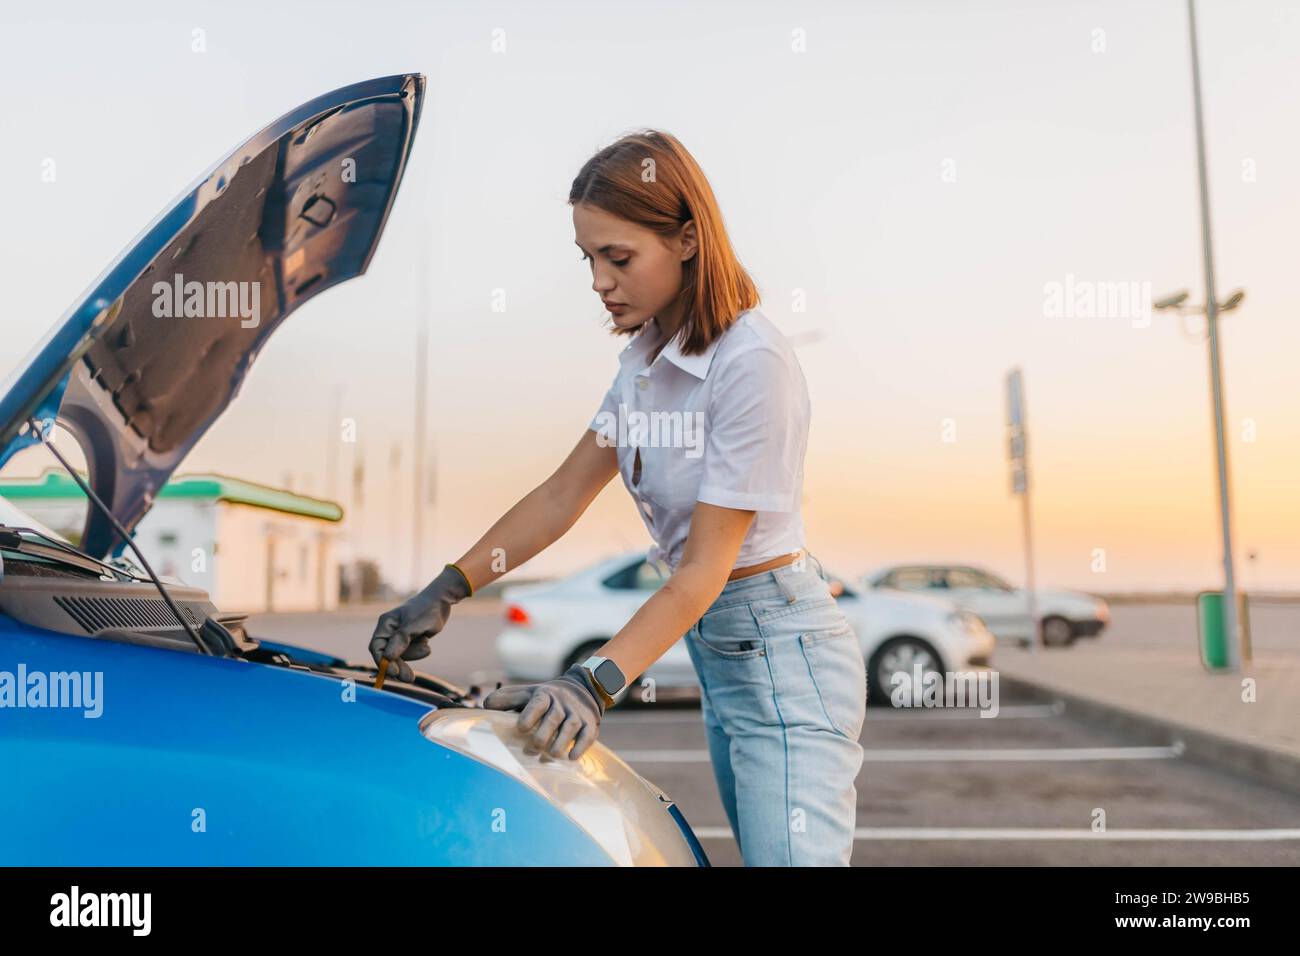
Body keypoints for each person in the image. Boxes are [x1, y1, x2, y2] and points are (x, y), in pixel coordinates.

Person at [370, 129, 866, 866]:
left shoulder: (751, 364)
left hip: (781, 655)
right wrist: (448, 587)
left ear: (689, 239)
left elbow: (703, 570)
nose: (600, 280)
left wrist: (590, 684)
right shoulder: (646, 362)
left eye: (619, 257)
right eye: (590, 259)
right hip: (725, 645)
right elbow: (562, 494)